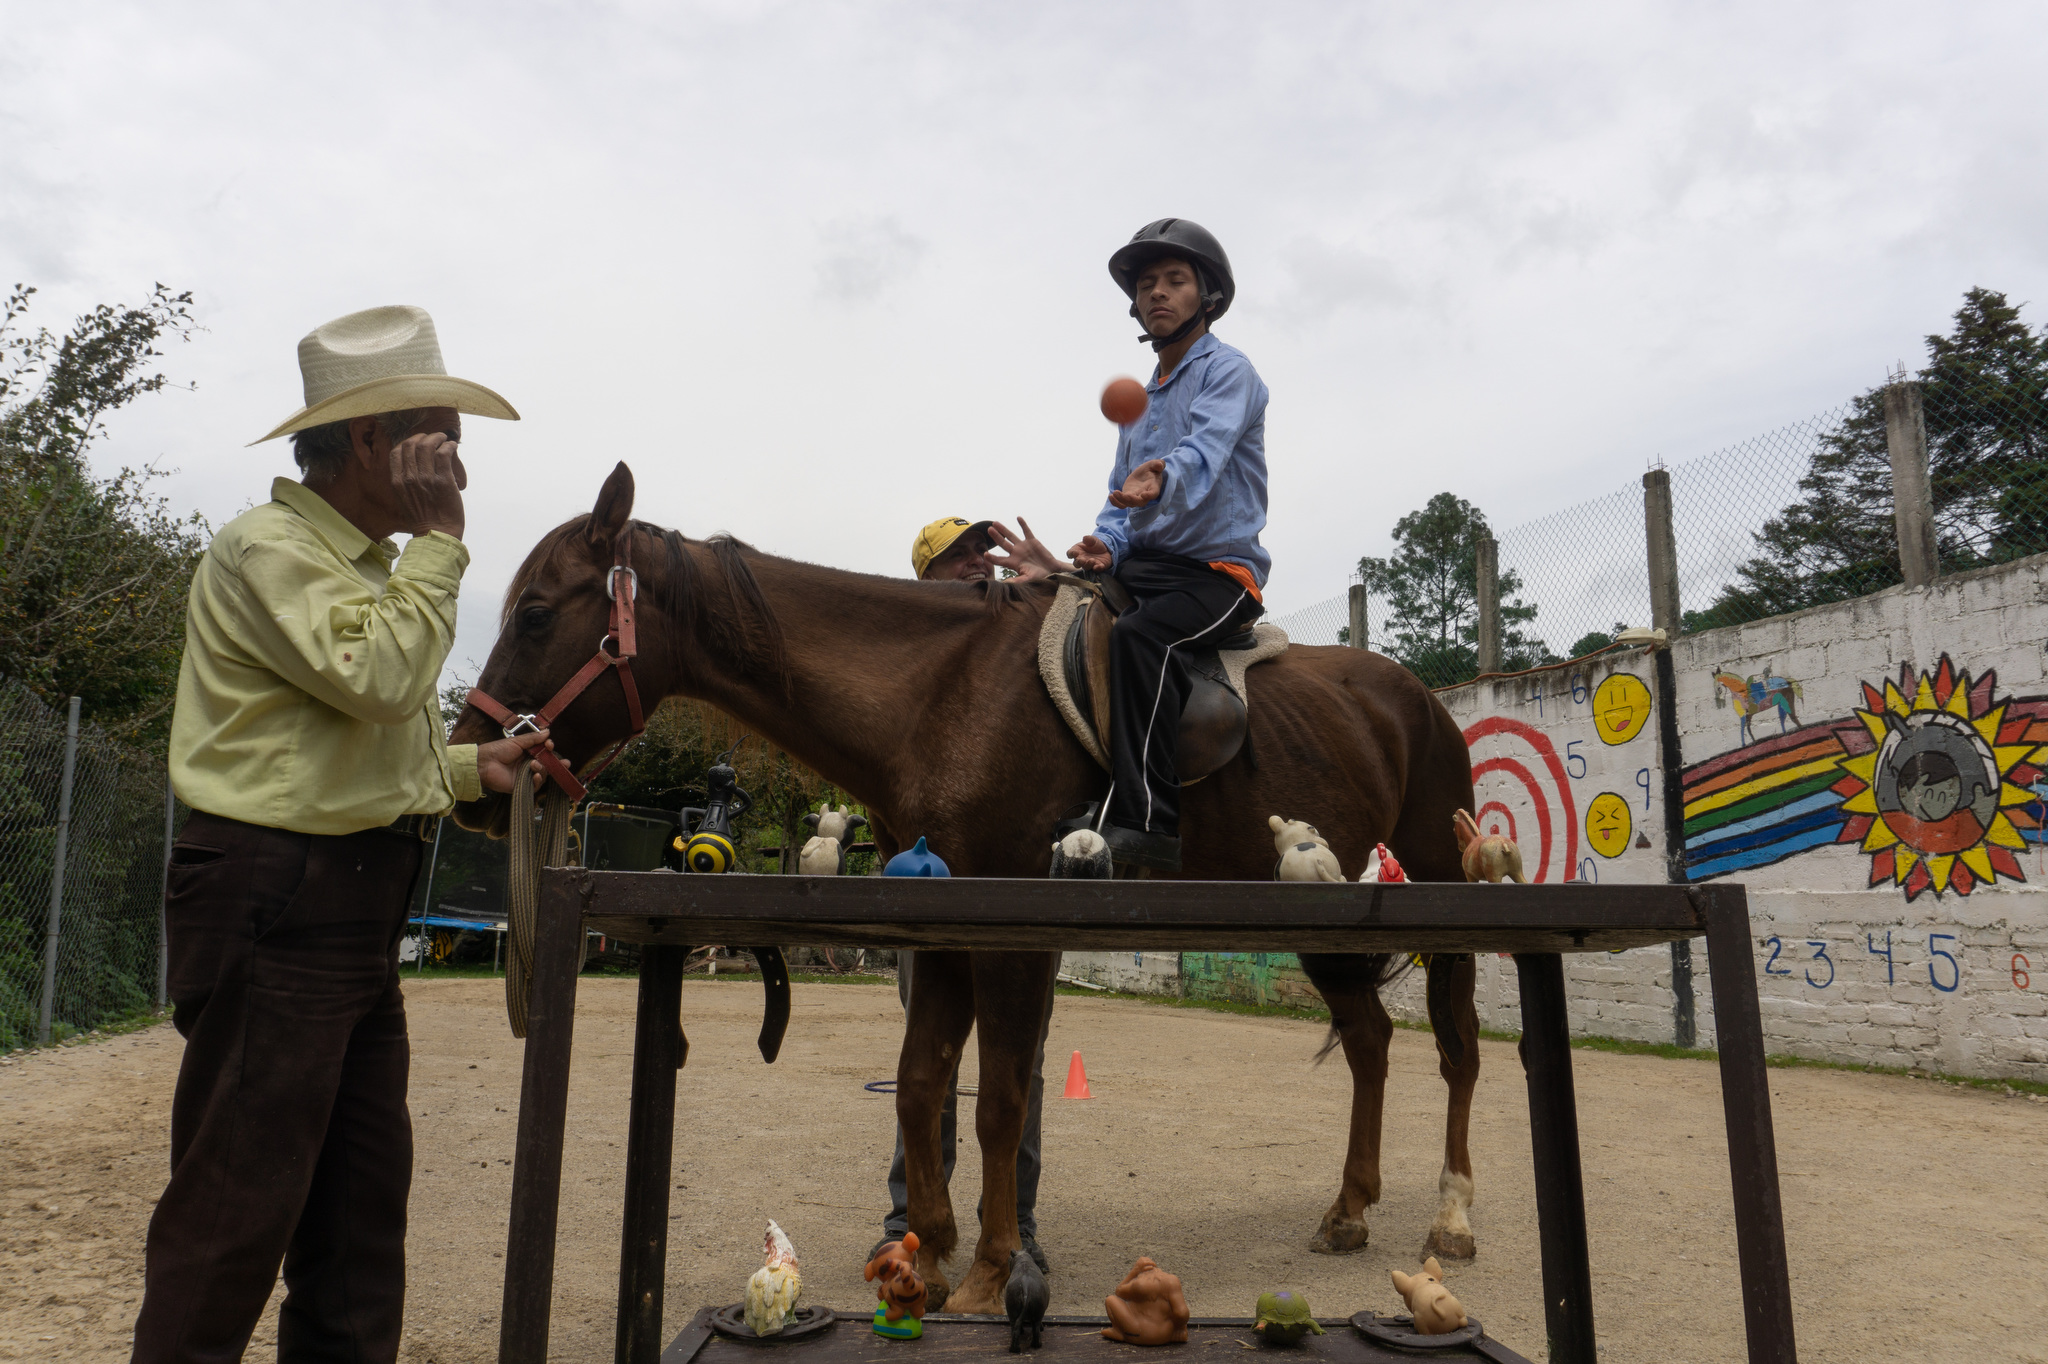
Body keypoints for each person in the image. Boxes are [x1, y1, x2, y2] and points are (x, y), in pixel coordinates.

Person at [132, 305, 554, 1364]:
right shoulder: (269, 548)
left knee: (357, 1220)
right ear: (367, 440)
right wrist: (445, 542)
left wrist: (467, 767)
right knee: (235, 1214)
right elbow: (379, 681)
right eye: (432, 427)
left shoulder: (362, 567)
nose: (454, 453)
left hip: (343, 905)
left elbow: (345, 746)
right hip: (282, 899)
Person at [879, 516, 1063, 1274]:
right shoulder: (904, 667)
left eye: (984, 555)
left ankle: (1011, 1223)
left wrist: (1048, 584)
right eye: (960, 559)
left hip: (1016, 897)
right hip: (929, 898)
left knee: (1019, 1061)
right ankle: (909, 1218)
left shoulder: (1014, 663)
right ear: (925, 577)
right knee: (929, 1061)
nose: (978, 567)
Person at [1068, 218, 1270, 873]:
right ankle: (1080, 801)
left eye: (1175, 281)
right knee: (1060, 615)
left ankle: (1150, 825)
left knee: (1139, 637)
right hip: (1147, 569)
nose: (1158, 293)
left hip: (1215, 575)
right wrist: (1106, 543)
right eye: (1147, 284)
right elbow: (1117, 501)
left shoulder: (1230, 372)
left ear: (1207, 297)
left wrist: (1163, 475)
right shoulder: (1140, 402)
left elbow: (1204, 453)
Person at [910, 514, 1070, 583]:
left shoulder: (1022, 609)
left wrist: (1058, 571)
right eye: (958, 554)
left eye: (981, 550)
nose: (978, 560)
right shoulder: (919, 642)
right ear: (928, 578)